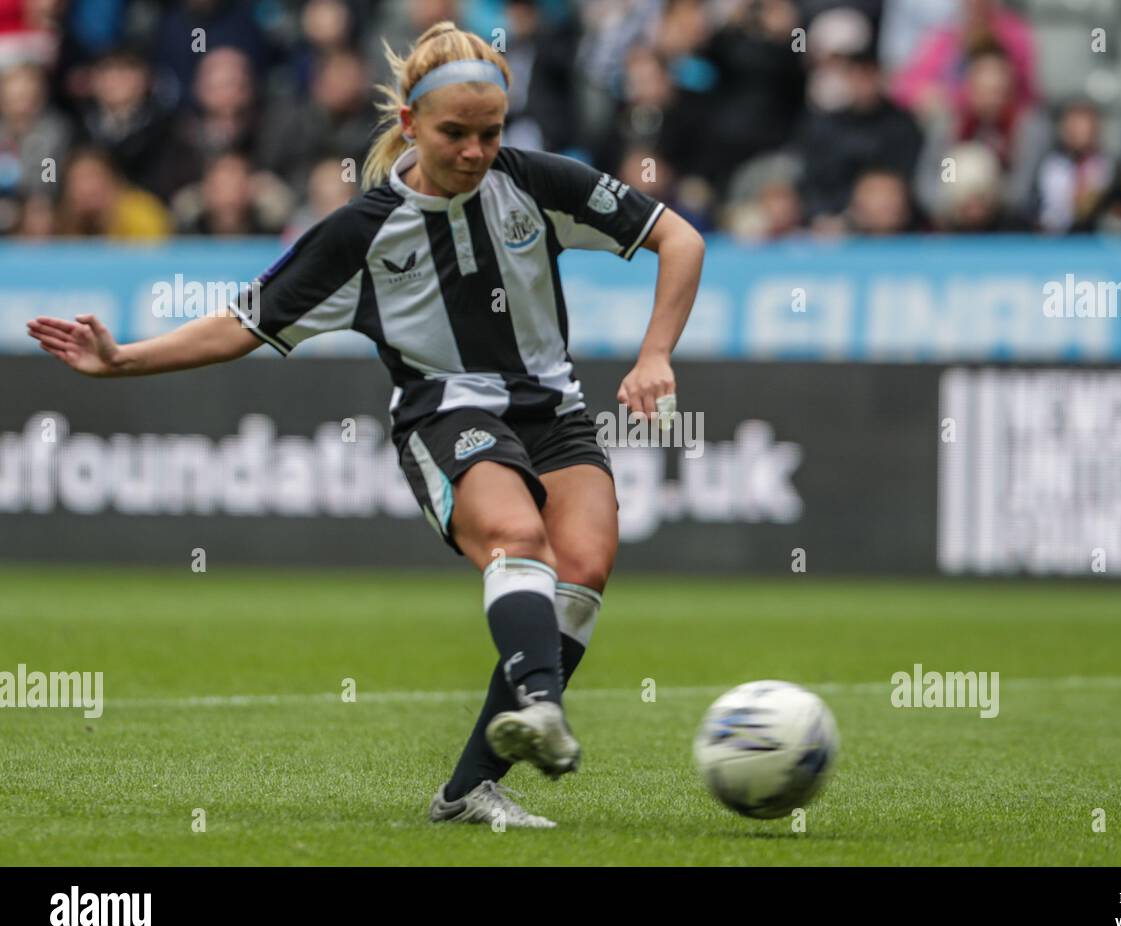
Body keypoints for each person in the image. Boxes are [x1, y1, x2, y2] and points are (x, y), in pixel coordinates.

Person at [26, 21, 706, 830]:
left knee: (585, 566)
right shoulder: (359, 234)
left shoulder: (534, 180)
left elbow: (679, 237)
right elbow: (243, 323)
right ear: (410, 125)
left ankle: (467, 792)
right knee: (517, 538)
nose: (475, 152)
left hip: (552, 409)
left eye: (489, 133)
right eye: (455, 133)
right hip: (446, 412)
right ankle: (542, 706)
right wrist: (123, 359)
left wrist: (654, 354)